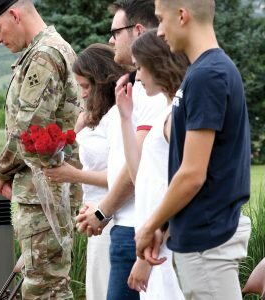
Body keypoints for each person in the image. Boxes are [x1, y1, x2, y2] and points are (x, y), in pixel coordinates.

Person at [135, 1, 252, 299]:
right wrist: (164, 224)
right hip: (200, 239)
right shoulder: (202, 72)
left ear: (182, 15)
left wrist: (149, 226)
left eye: (160, 20)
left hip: (208, 242)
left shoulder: (207, 75)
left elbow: (192, 174)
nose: (159, 31)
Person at [0, 0, 82, 298]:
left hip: (43, 195)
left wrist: (1, 172)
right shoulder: (48, 49)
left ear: (15, 14)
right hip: (47, 192)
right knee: (49, 285)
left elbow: (28, 129)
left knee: (44, 290)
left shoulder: (44, 55)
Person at [76, 1, 167, 299]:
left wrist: (102, 211)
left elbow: (138, 169)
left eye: (116, 31)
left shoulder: (155, 89)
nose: (111, 39)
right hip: (125, 224)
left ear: (138, 31)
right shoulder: (135, 88)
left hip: (135, 227)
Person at [43, 43, 129, 300]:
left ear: (102, 82)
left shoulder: (117, 117)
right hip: (92, 212)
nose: (81, 94)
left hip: (112, 212)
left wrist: (73, 175)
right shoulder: (95, 116)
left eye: (85, 87)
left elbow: (124, 175)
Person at [116, 29, 188, 299]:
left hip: (163, 251)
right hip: (155, 247)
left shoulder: (174, 118)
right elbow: (141, 178)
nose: (138, 76)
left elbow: (179, 189)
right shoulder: (166, 114)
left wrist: (148, 258)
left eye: (140, 68)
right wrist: (126, 119)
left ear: (159, 65)